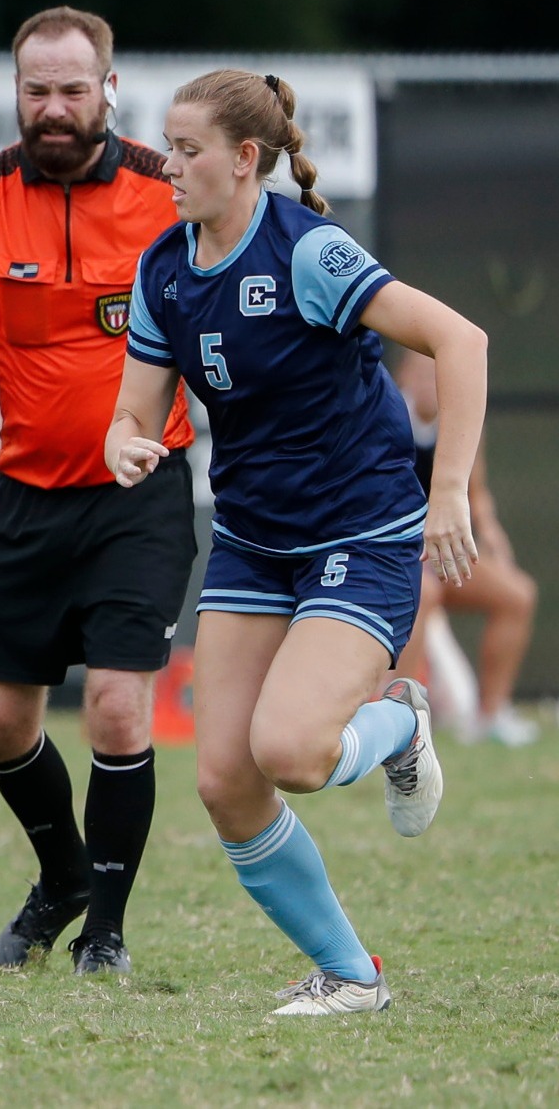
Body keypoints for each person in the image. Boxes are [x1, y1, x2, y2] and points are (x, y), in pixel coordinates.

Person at [107, 68, 484, 1015]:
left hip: (362, 533)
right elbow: (134, 408)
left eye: (186, 151)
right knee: (227, 781)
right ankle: (351, 977)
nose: (167, 167)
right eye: (165, 146)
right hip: (252, 541)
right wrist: (122, 440)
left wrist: (447, 495)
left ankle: (400, 718)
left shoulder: (305, 252)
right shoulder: (162, 268)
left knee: (292, 754)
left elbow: (462, 341)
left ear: (243, 161)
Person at [0, 6, 196, 975]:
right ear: (16, 92)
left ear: (107, 89)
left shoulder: (167, 190)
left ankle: (103, 930)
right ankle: (62, 874)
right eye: (37, 90)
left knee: (118, 707)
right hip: (22, 495)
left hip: (138, 488)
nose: (54, 108)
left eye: (73, 89)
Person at [391, 345, 538, 745]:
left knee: (517, 595)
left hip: (441, 555)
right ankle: (397, 726)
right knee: (423, 597)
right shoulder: (385, 418)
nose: (432, 384)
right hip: (392, 558)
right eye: (423, 373)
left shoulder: (462, 421)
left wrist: (488, 529)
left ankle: (490, 717)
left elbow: (475, 493)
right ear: (403, 375)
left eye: (439, 375)